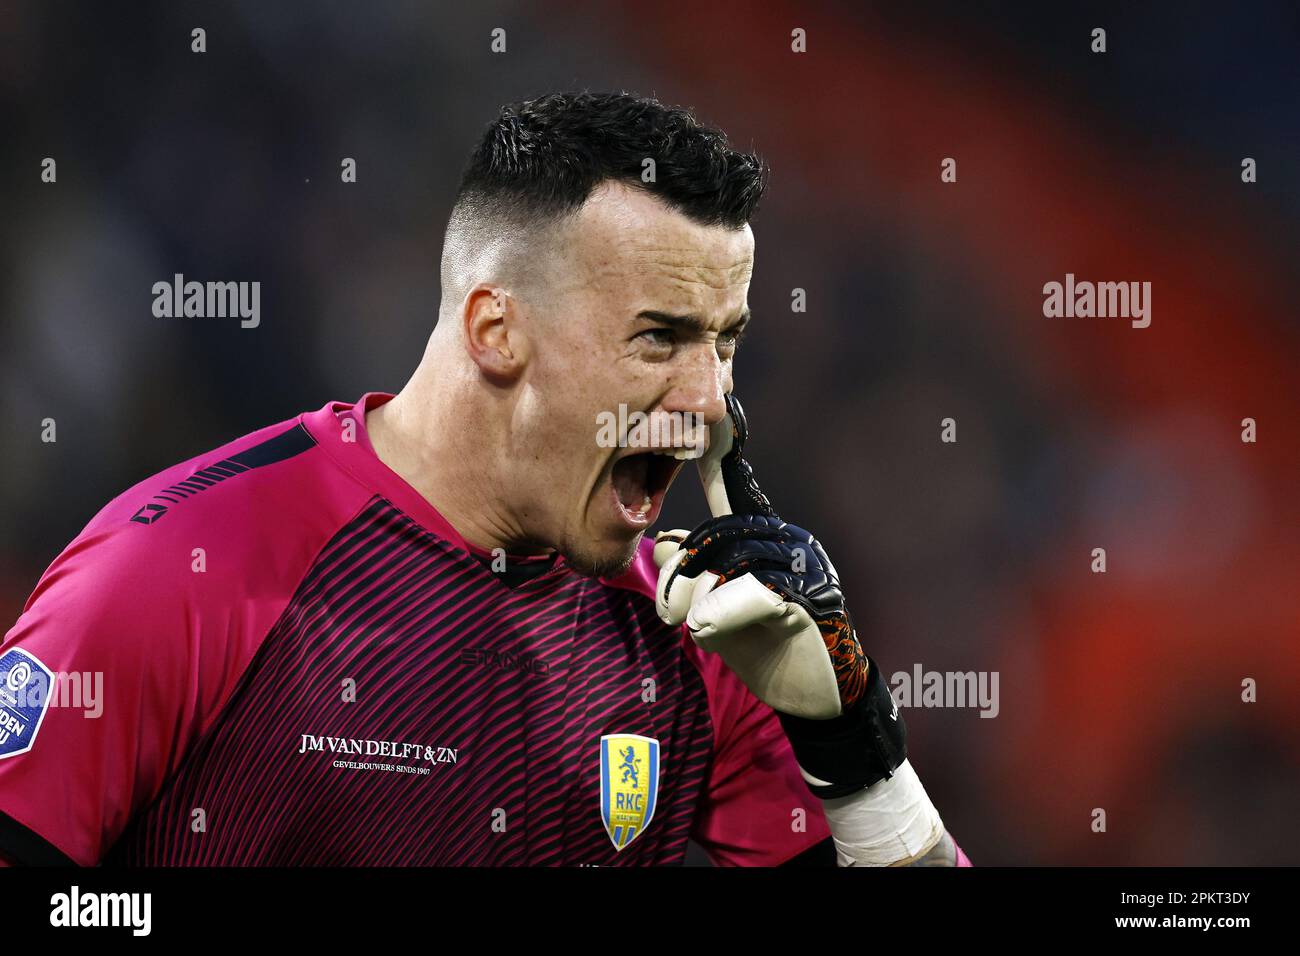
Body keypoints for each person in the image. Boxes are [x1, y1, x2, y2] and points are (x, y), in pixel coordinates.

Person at [0, 91, 968, 866]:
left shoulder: (700, 633)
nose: (711, 400)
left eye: (726, 341)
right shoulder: (180, 569)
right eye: (660, 338)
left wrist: (854, 746)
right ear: (494, 331)